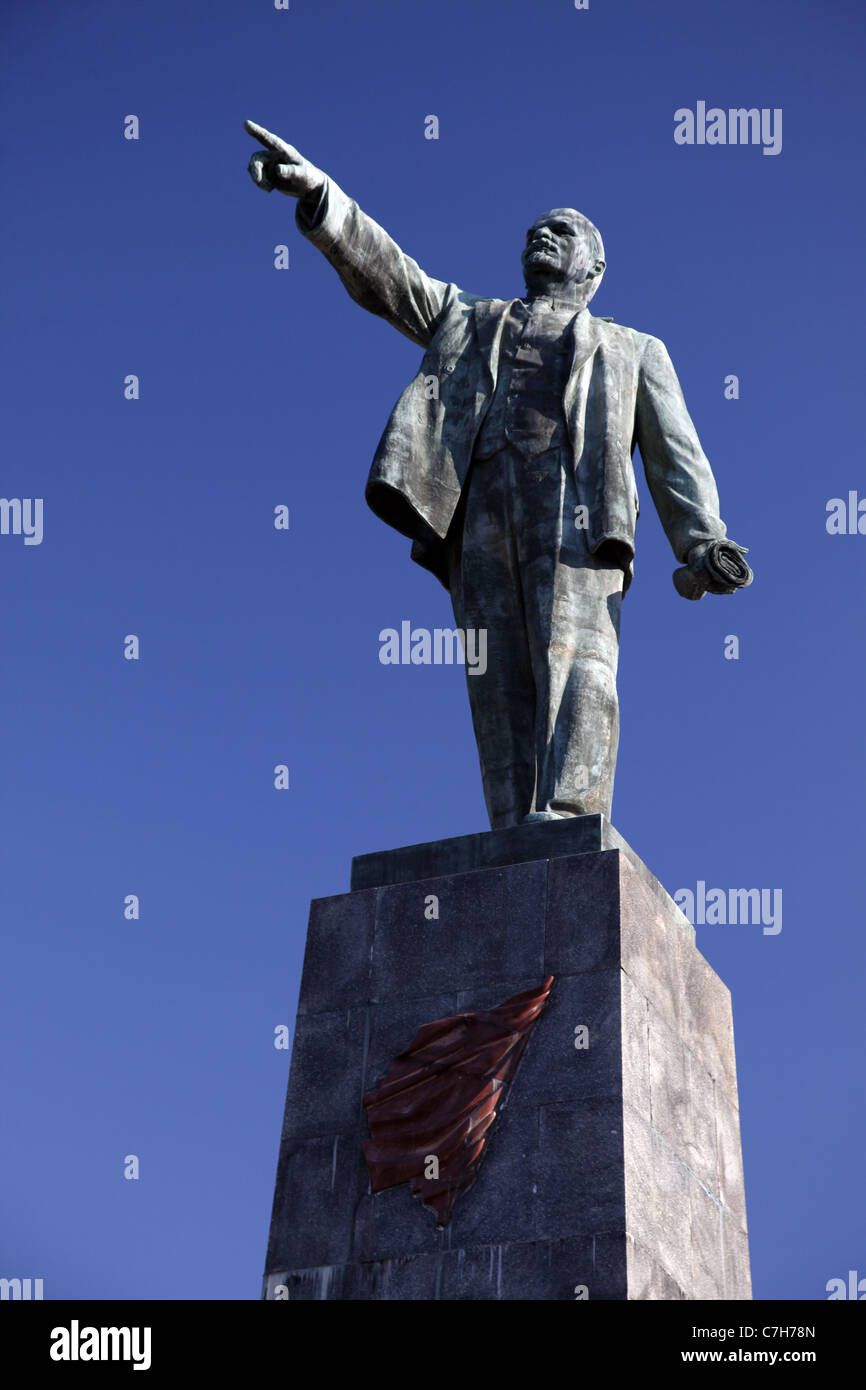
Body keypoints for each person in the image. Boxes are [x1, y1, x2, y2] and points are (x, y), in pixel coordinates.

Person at [245, 120, 752, 829]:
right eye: (533, 232)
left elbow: (676, 453)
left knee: (579, 667)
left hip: (578, 514)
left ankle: (571, 815)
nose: (540, 238)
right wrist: (325, 200)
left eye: (561, 232)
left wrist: (703, 540)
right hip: (481, 506)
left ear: (594, 268)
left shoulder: (635, 350)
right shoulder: (471, 318)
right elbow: (391, 278)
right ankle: (515, 828)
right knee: (496, 676)